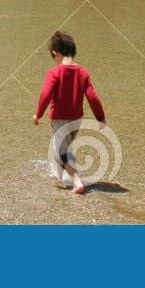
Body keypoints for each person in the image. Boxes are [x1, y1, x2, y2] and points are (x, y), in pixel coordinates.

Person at [32, 29, 106, 194]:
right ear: (73, 52)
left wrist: (38, 113)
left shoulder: (55, 72)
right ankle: (57, 175)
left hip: (59, 119)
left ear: (55, 53)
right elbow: (93, 97)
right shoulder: (83, 73)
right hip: (76, 119)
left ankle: (77, 181)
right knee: (64, 147)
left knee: (62, 152)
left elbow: (46, 93)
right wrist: (100, 117)